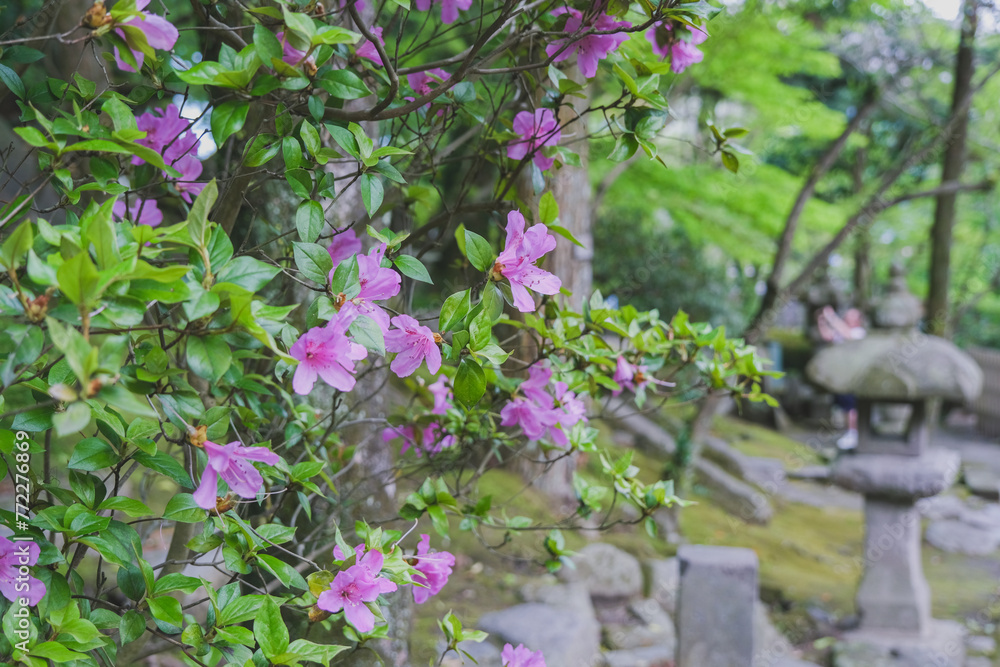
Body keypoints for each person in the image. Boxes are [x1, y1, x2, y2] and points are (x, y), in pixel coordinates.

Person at [816, 306, 866, 450]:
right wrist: (821, 321)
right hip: (841, 375)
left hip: (853, 375)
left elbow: (847, 334)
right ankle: (849, 432)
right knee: (845, 405)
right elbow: (827, 336)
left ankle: (854, 433)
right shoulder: (842, 331)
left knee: (852, 405)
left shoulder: (859, 333)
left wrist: (831, 316)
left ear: (858, 320)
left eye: (851, 315)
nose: (847, 317)